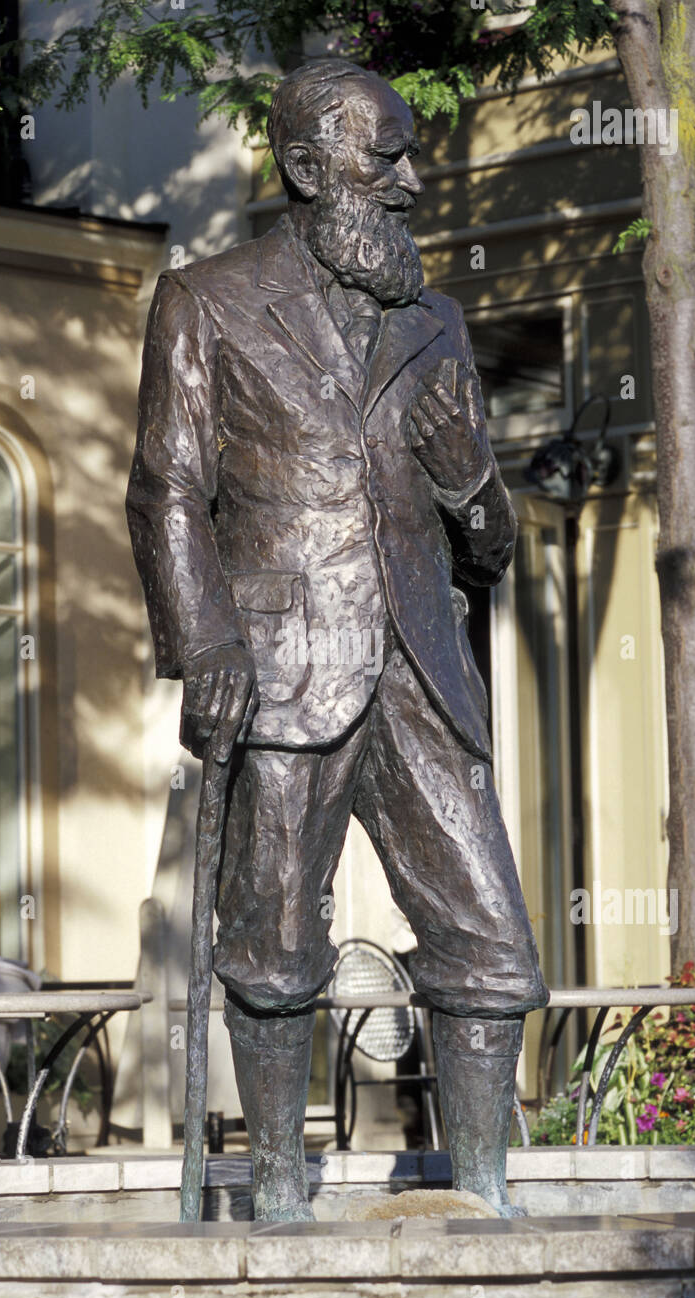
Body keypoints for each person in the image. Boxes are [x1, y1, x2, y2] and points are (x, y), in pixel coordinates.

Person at [127, 56, 548, 1221]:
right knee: (266, 945)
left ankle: (484, 1210)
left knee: (494, 947)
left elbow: (492, 544)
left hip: (419, 667)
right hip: (279, 664)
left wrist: (469, 475)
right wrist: (203, 640)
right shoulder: (206, 299)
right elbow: (165, 487)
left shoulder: (437, 321)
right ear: (309, 168)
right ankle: (275, 1195)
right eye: (387, 155)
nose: (411, 182)